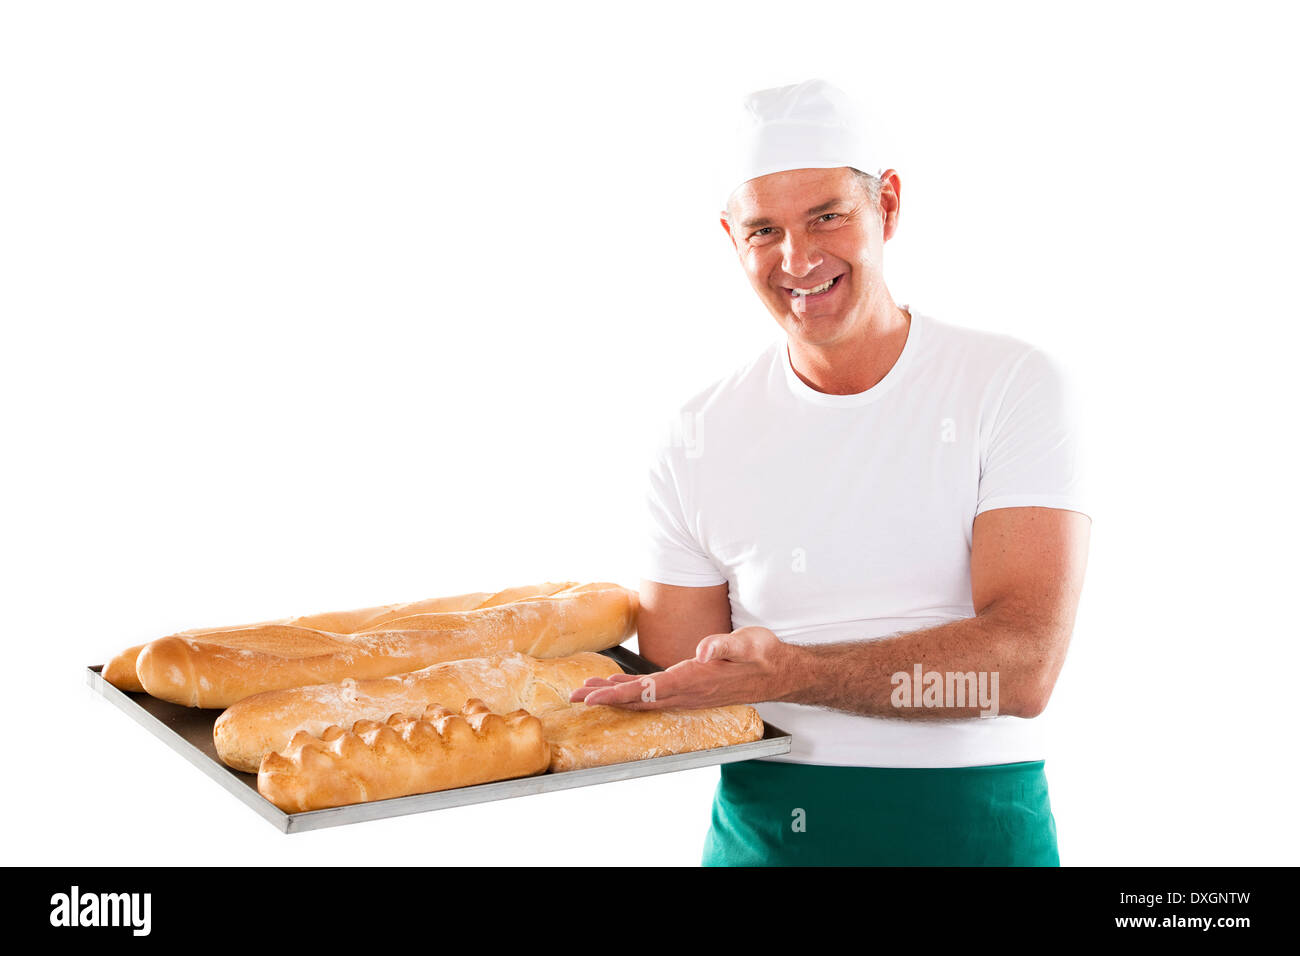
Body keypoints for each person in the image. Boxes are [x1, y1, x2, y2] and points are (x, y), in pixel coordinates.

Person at [571, 79, 1091, 866]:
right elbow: (683, 691)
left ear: (887, 204)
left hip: (973, 831)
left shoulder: (1008, 385)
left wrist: (797, 673)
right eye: (764, 231)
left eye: (827, 216)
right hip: (766, 838)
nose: (799, 259)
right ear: (729, 237)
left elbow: (1021, 671)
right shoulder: (696, 435)